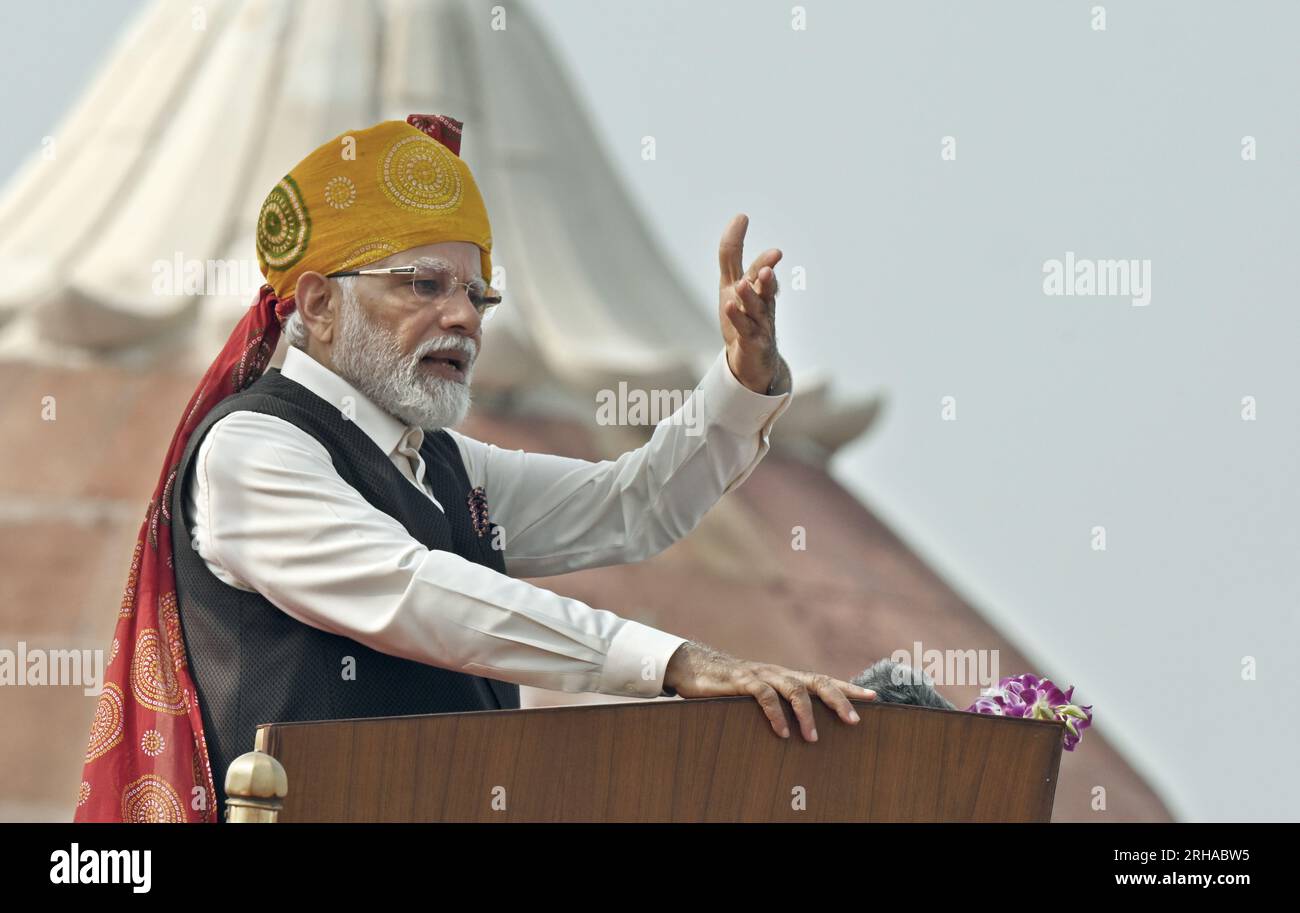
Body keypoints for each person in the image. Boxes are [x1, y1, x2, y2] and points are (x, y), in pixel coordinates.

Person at [75, 114, 876, 822]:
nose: (462, 316)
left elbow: (632, 505)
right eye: (423, 285)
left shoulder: (442, 465)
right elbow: (414, 590)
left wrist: (741, 381)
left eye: (478, 295)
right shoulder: (254, 450)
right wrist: (674, 663)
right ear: (317, 304)